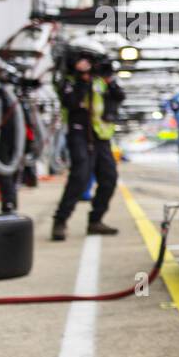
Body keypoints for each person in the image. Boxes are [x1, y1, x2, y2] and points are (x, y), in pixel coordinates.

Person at [50, 41, 124, 240]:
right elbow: (71, 102)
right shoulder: (67, 81)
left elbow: (119, 96)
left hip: (101, 137)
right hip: (79, 134)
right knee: (80, 176)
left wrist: (110, 79)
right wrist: (82, 80)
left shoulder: (100, 81)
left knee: (109, 179)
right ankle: (60, 221)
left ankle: (95, 220)